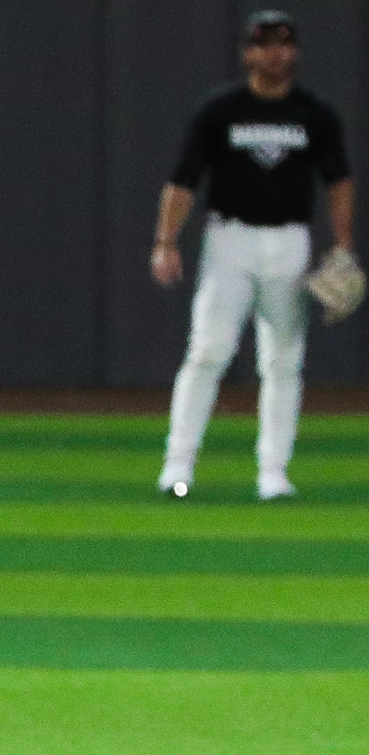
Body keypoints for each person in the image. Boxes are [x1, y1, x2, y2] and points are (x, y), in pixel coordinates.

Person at [151, 9, 354, 500]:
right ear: (247, 53)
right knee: (208, 351)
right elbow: (184, 180)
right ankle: (178, 465)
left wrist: (343, 244)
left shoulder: (314, 113)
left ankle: (273, 472)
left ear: (296, 51)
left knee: (283, 359)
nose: (275, 53)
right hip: (231, 239)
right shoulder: (221, 111)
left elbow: (338, 181)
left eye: (284, 44)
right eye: (264, 44)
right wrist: (165, 240)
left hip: (289, 241)